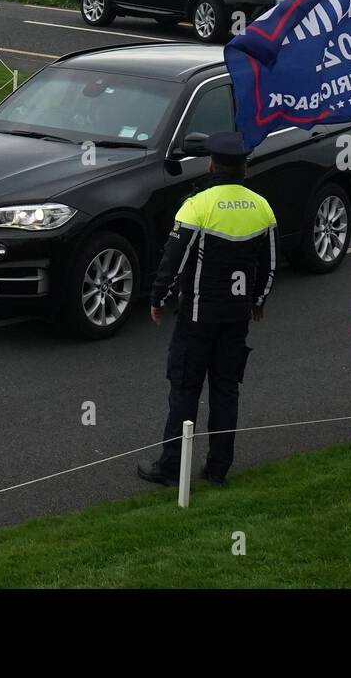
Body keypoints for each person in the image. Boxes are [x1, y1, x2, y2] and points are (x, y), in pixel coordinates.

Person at [138, 132, 278, 487]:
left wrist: (158, 298)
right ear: (244, 168)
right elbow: (269, 264)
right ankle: (218, 469)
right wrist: (258, 301)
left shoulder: (197, 205)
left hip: (197, 318)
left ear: (212, 165)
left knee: (185, 390)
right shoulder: (262, 207)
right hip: (237, 317)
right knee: (226, 390)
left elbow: (174, 258)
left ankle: (171, 466)